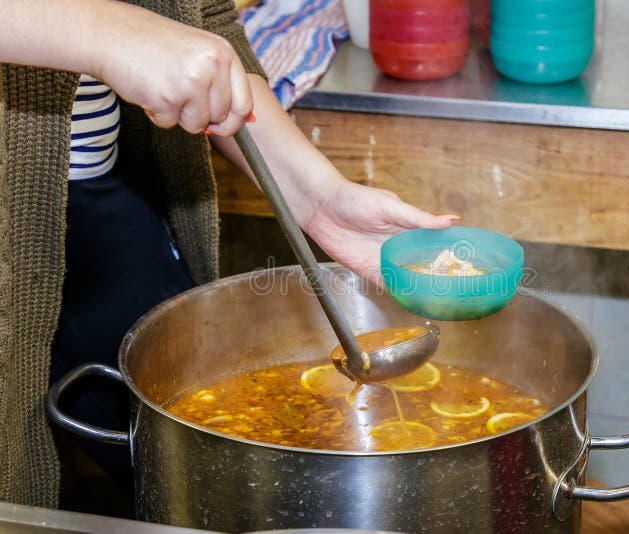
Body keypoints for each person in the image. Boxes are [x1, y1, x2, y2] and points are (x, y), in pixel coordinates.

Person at [0, 0, 456, 509]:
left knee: (188, 465)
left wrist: (316, 196)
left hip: (98, 193)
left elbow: (205, 21)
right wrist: (99, 28)